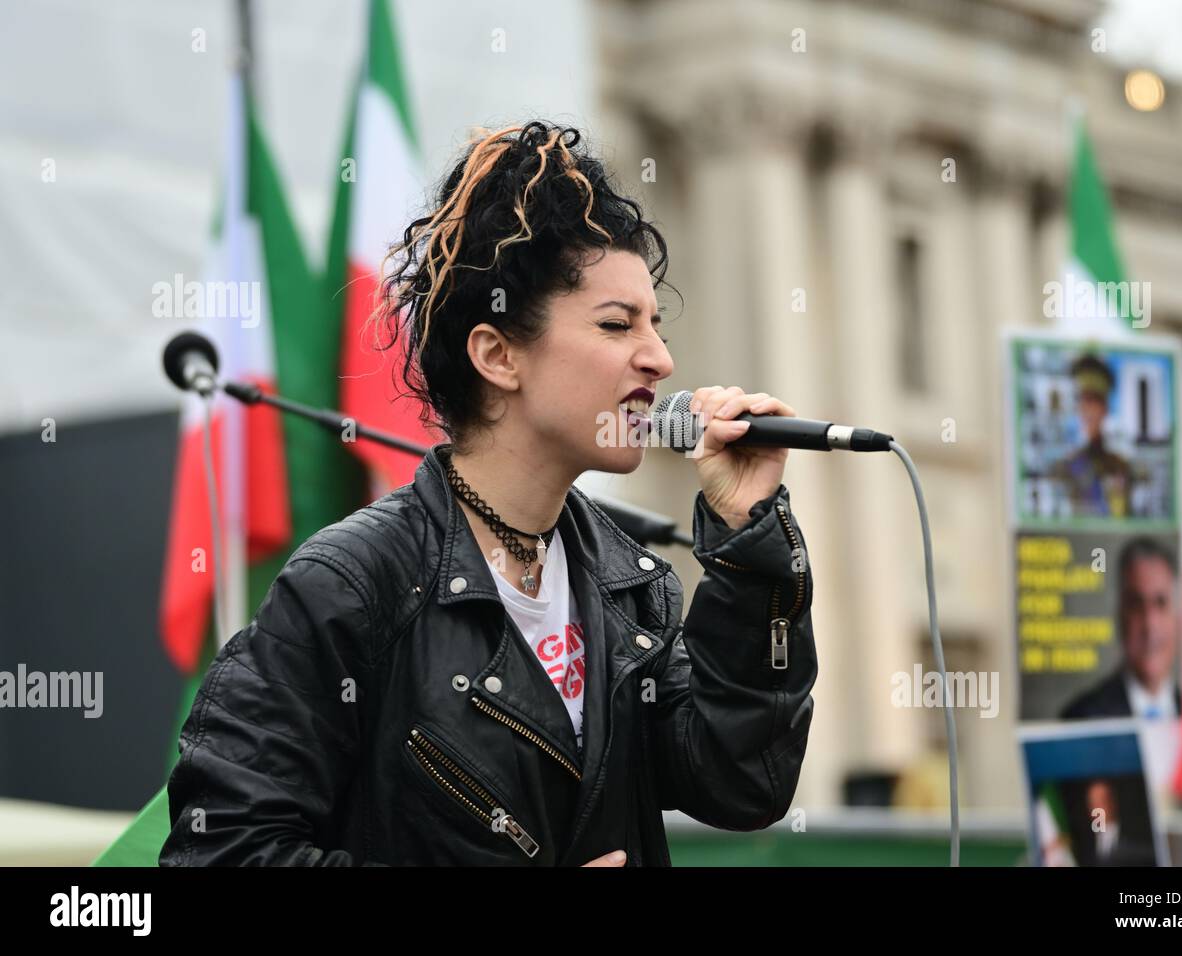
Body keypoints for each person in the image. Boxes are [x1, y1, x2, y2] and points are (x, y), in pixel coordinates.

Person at [160, 120, 817, 866]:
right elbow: (223, 851)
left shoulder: (630, 588)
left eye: (656, 326)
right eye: (616, 324)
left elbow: (742, 785)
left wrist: (747, 541)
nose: (660, 359)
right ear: (498, 354)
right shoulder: (354, 585)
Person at [1061, 537, 1182, 720]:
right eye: (1136, 604)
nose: (1150, 623)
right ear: (1119, 614)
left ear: (1178, 617)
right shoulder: (1081, 718)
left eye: (1161, 603)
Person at [1051, 352, 1134, 518]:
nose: (1088, 411)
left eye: (1094, 402)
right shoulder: (1063, 468)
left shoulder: (1121, 467)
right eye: (1084, 402)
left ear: (1105, 409)